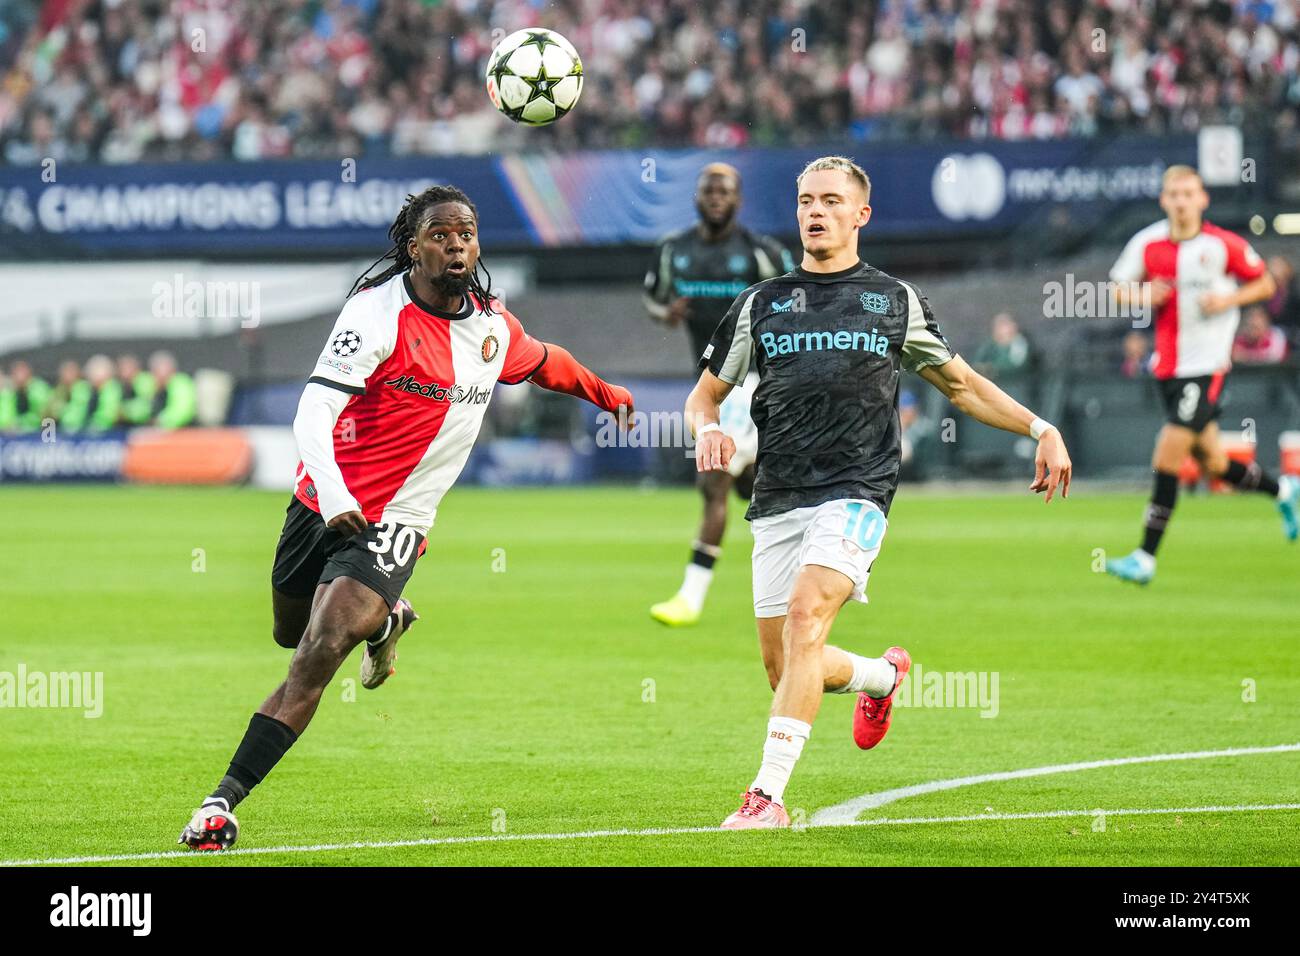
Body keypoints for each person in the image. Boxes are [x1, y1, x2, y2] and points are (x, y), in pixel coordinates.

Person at [178, 185, 633, 851]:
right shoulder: (375, 315)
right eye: (441, 235)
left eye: (467, 234)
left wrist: (607, 392)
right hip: (322, 503)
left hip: (398, 520)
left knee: (319, 650)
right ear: (413, 246)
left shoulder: (491, 329)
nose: (456, 245)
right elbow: (314, 412)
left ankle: (221, 804)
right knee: (288, 632)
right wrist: (333, 496)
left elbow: (543, 361)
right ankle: (388, 619)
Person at [687, 156, 1072, 828]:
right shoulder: (761, 303)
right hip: (778, 497)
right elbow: (704, 396)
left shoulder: (894, 301)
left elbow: (962, 385)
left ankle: (766, 798)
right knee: (786, 669)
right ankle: (882, 677)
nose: (815, 212)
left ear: (860, 214)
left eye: (831, 201)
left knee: (808, 617)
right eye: (807, 200)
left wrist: (1041, 427)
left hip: (858, 491)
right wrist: (707, 431)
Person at [1105, 166, 1297, 586]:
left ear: (1202, 199)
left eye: (1188, 193)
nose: (1180, 200)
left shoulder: (1222, 244)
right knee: (1213, 462)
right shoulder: (1148, 242)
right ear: (1163, 199)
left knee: (1166, 456)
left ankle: (1145, 556)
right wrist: (1141, 294)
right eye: (1173, 193)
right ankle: (1284, 491)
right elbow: (1116, 288)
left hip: (1207, 367)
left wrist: (1229, 298)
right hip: (1169, 369)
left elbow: (1265, 284)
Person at [645, 162, 795, 627]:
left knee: (711, 481)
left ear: (738, 200)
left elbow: (799, 295)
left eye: (724, 191)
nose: (715, 198)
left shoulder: (760, 252)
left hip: (753, 381)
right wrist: (666, 312)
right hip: (708, 385)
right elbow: (651, 298)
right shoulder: (674, 250)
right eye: (708, 190)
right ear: (696, 198)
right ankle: (783, 518)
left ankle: (690, 596)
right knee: (744, 483)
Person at [60, 355, 122, 433]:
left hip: (107, 431)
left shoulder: (112, 388)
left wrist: (94, 425)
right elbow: (75, 413)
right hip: (82, 430)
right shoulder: (82, 388)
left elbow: (108, 415)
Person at [971, 312, 1034, 378]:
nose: (1002, 331)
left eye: (1005, 326)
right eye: (998, 326)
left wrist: (993, 369)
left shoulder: (1019, 343)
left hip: (1014, 383)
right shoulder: (990, 345)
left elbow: (1017, 365)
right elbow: (977, 363)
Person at [145, 351, 197, 429]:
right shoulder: (153, 386)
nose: (159, 375)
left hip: (183, 431)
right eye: (155, 371)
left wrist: (159, 421)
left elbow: (182, 412)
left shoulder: (180, 383)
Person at [0, 360, 51, 434]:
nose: (16, 377)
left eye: (19, 373)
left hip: (37, 433)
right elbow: (6, 418)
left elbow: (44, 414)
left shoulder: (38, 389)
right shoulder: (10, 393)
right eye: (14, 374)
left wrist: (20, 423)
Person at [116, 354, 155, 426]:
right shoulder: (118, 385)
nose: (125, 372)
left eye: (128, 368)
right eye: (122, 368)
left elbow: (145, 408)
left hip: (144, 426)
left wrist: (125, 412)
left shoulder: (144, 382)